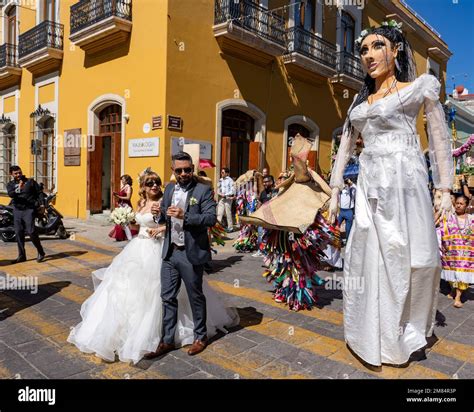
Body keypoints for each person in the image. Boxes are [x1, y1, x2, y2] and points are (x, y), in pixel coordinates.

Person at [328, 20, 453, 367]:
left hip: (405, 183)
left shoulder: (418, 89)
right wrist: (336, 189)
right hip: (370, 184)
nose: (369, 55)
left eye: (377, 46)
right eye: (364, 49)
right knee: (370, 260)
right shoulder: (360, 102)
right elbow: (345, 146)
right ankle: (372, 334)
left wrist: (444, 187)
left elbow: (440, 138)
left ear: (396, 50)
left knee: (414, 259)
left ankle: (405, 332)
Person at [68, 168, 238, 364]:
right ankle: (141, 335)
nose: (155, 186)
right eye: (150, 183)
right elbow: (141, 223)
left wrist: (161, 229)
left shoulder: (167, 198)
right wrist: (126, 221)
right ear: (143, 188)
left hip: (159, 250)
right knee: (130, 291)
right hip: (137, 248)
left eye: (157, 182)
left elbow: (174, 223)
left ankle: (183, 334)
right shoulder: (141, 203)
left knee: (166, 292)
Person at [146, 151, 238, 359]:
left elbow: (210, 218)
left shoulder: (203, 190)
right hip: (170, 252)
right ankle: (167, 340)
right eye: (179, 170)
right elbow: (164, 218)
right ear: (173, 171)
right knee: (167, 297)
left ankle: (200, 337)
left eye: (187, 169)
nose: (184, 173)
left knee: (196, 296)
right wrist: (157, 212)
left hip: (190, 253)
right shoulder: (169, 188)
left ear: (192, 169)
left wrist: (184, 216)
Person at [438, 194, 473, 308]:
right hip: (452, 253)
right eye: (457, 203)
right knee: (453, 273)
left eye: (461, 204)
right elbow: (441, 228)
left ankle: (458, 297)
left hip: (466, 254)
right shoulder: (449, 218)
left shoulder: (472, 219)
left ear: (466, 205)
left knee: (463, 274)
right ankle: (453, 290)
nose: (458, 206)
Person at [7, 165, 45, 263]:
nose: (18, 175)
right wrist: (18, 188)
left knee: (31, 231)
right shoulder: (10, 184)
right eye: (16, 173)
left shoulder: (30, 182)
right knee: (19, 232)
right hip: (17, 210)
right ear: (11, 174)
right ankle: (22, 256)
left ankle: (41, 251)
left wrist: (42, 204)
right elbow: (11, 194)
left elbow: (39, 192)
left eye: (19, 172)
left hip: (29, 210)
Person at [252, 175, 278, 257]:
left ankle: (271, 252)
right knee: (260, 235)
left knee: (272, 237)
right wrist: (256, 215)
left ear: (271, 182)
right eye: (264, 182)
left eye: (266, 181)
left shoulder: (276, 191)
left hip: (274, 219)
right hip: (263, 218)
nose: (265, 183)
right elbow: (259, 204)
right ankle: (261, 250)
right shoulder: (263, 192)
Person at [108, 174, 138, 241]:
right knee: (120, 221)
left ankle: (129, 236)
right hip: (121, 206)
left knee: (125, 222)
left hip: (126, 206)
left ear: (127, 180)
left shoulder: (128, 187)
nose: (122, 180)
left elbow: (128, 198)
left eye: (123, 179)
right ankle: (120, 236)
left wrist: (118, 196)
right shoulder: (123, 187)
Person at [337, 178, 356, 243]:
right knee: (335, 226)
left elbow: (357, 189)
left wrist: (350, 182)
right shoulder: (340, 190)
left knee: (348, 229)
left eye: (346, 182)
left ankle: (348, 243)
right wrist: (341, 183)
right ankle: (338, 240)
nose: (346, 184)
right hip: (341, 211)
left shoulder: (352, 190)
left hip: (349, 212)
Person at [217, 167, 235, 233]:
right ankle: (217, 227)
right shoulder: (220, 180)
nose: (221, 174)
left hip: (228, 198)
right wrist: (219, 193)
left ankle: (230, 227)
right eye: (221, 172)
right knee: (219, 212)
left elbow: (233, 190)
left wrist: (226, 194)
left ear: (227, 173)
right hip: (222, 198)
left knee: (228, 213)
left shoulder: (230, 180)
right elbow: (218, 189)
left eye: (223, 172)